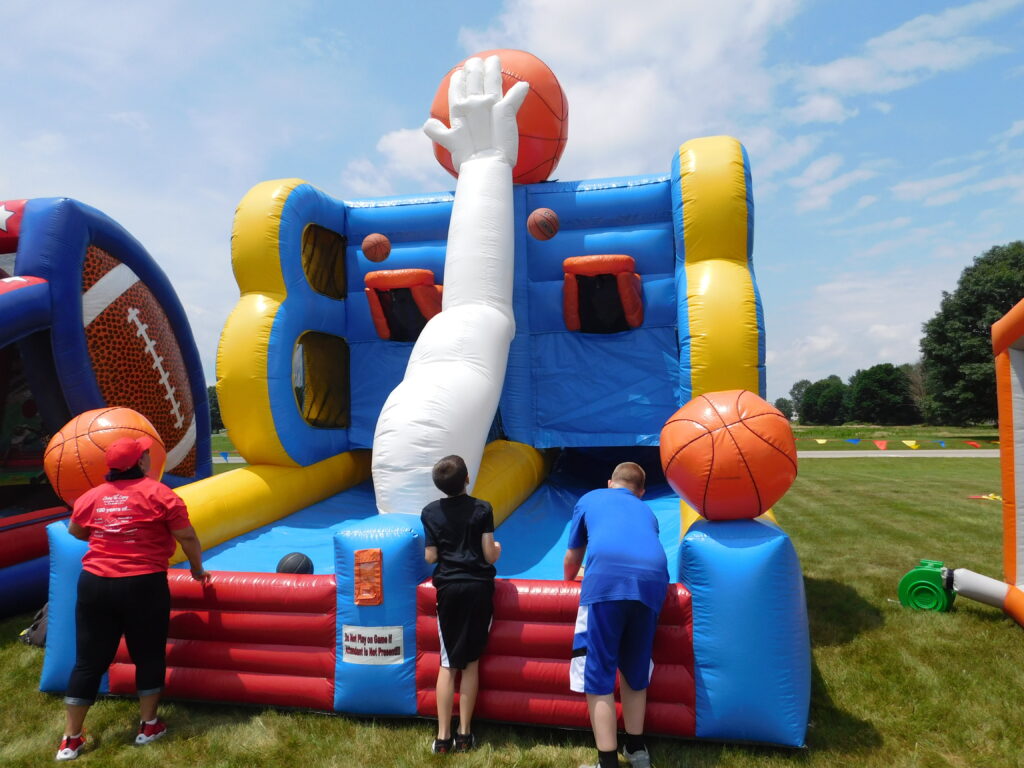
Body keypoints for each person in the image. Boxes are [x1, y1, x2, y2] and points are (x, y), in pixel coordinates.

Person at [55, 436, 209, 761]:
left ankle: (70, 739)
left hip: (96, 583)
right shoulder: (161, 494)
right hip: (143, 584)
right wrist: (197, 569)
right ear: (139, 463)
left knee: (88, 661)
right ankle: (148, 725)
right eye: (146, 455)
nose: (149, 459)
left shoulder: (92, 496)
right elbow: (186, 535)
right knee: (148, 655)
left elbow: (76, 530)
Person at [563, 462, 669, 768]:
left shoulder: (591, 498)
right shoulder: (647, 511)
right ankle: (637, 751)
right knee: (636, 673)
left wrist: (568, 578)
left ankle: (607, 762)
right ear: (642, 492)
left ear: (610, 483)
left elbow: (574, 556)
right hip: (652, 585)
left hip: (606, 584)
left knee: (597, 676)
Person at [420, 455, 502, 754]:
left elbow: (430, 557)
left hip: (449, 588)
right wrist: (497, 550)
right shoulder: (482, 508)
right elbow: (488, 554)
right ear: (467, 478)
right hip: (478, 587)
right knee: (471, 663)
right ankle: (465, 734)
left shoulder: (429, 512)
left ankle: (443, 738)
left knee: (447, 662)